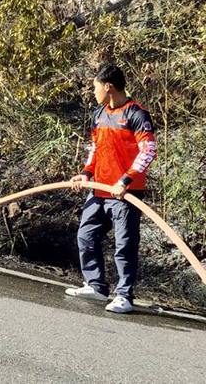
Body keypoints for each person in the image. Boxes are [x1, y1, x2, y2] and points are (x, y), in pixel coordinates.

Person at [66, 64, 156, 313]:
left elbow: (148, 151)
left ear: (109, 86)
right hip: (99, 190)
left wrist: (125, 181)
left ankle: (124, 296)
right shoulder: (99, 114)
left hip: (125, 194)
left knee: (124, 245)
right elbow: (96, 149)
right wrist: (86, 173)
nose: (93, 92)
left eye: (95, 87)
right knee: (86, 235)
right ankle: (96, 286)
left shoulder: (137, 114)